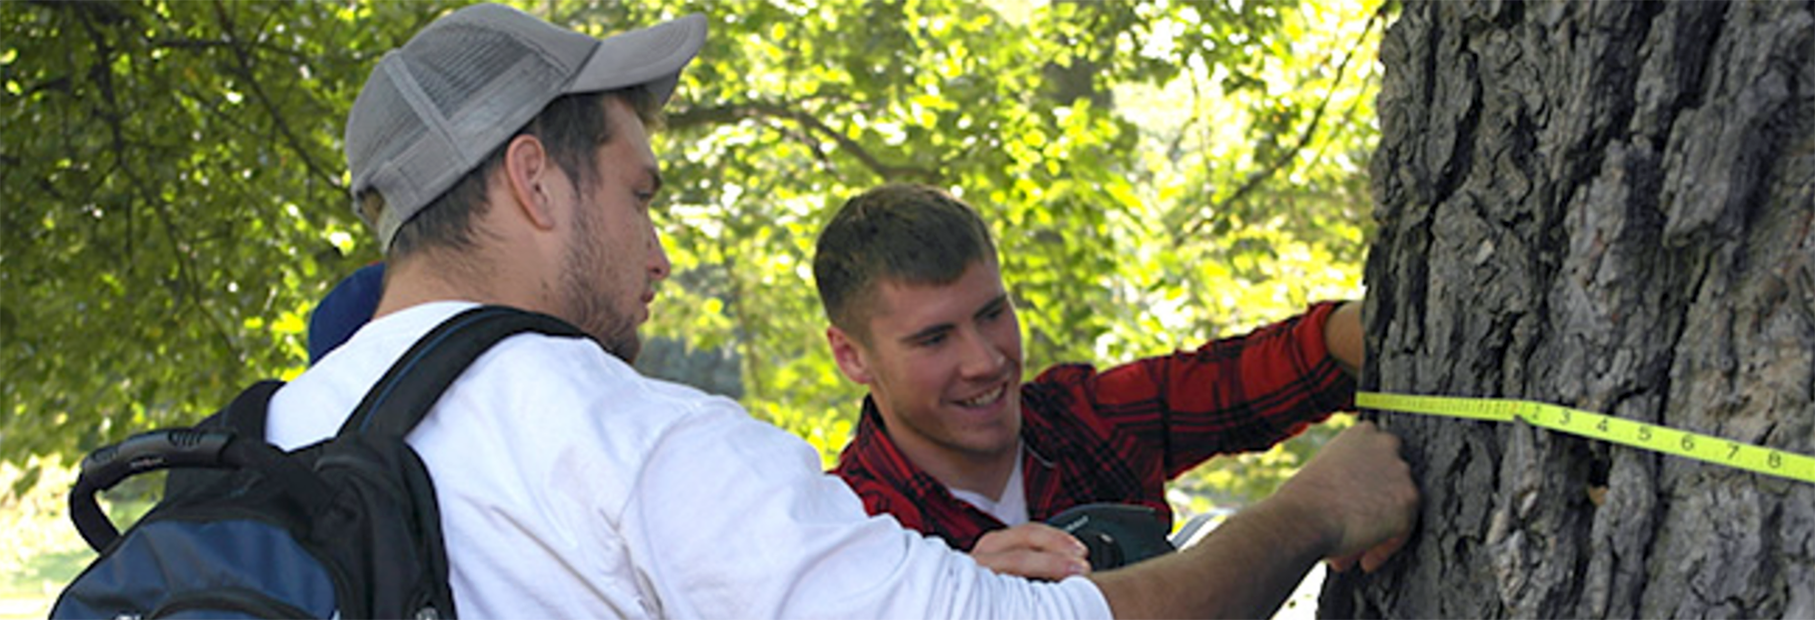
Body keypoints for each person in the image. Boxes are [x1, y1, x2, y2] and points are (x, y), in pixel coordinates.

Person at [269, 3, 1417, 618]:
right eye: (638, 193)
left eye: (990, 314)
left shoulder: (288, 435)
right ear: (533, 178)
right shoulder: (637, 444)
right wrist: (1312, 509)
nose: (659, 253)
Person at [813, 183, 1367, 579]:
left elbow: (1258, 374)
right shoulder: (843, 537)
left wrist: (1377, 329)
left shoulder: (1084, 418)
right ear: (852, 356)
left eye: (991, 314)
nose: (984, 361)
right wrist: (957, 594)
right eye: (934, 339)